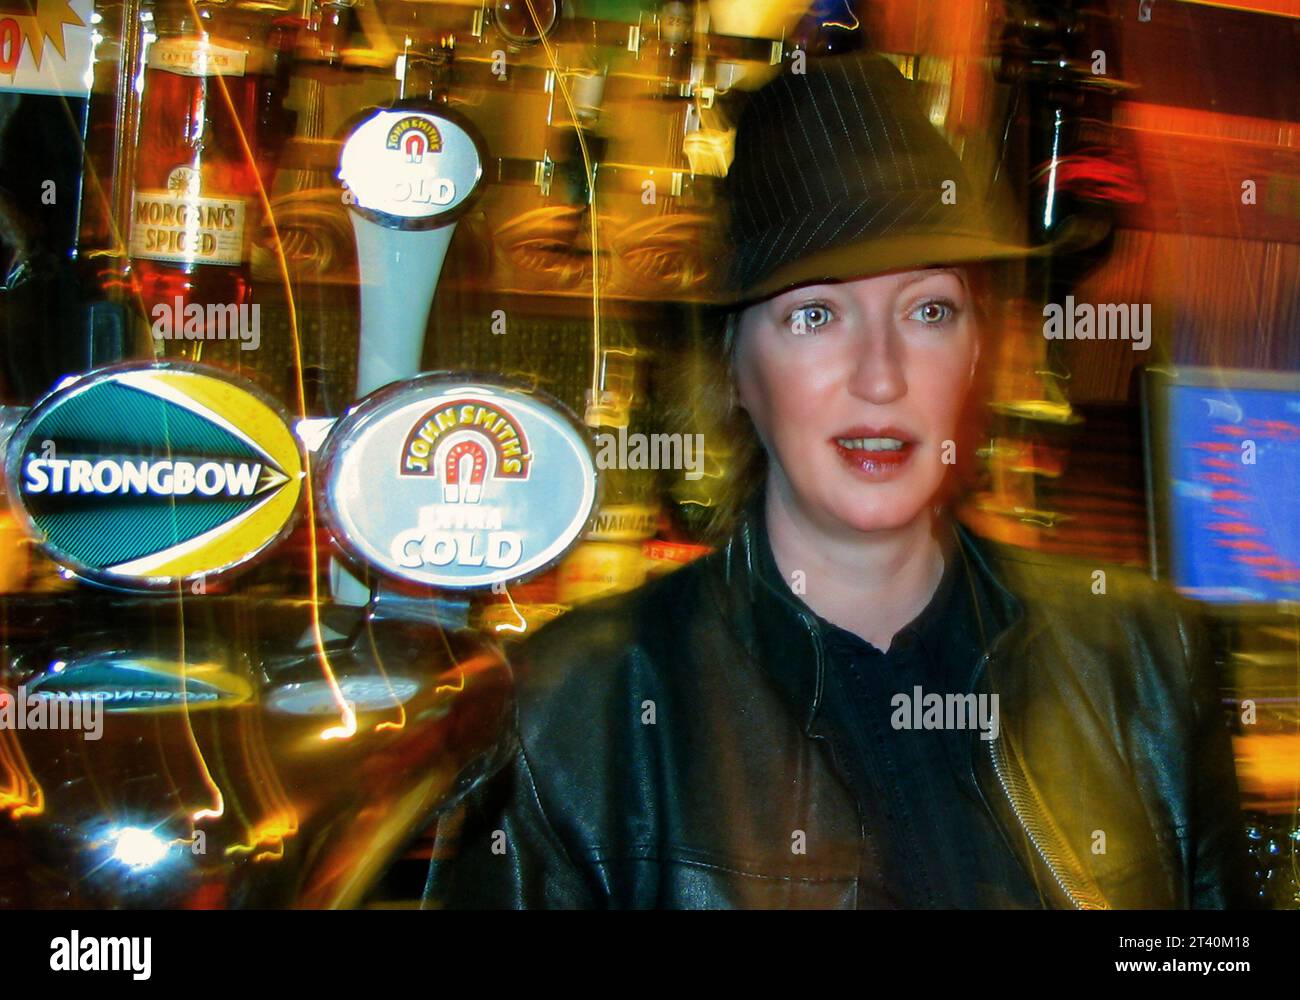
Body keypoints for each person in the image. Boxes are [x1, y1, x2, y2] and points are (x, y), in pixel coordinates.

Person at [422, 51, 1255, 909]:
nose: (882, 377)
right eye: (814, 314)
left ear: (975, 352)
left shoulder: (1147, 656)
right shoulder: (572, 713)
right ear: (736, 372)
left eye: (929, 310)